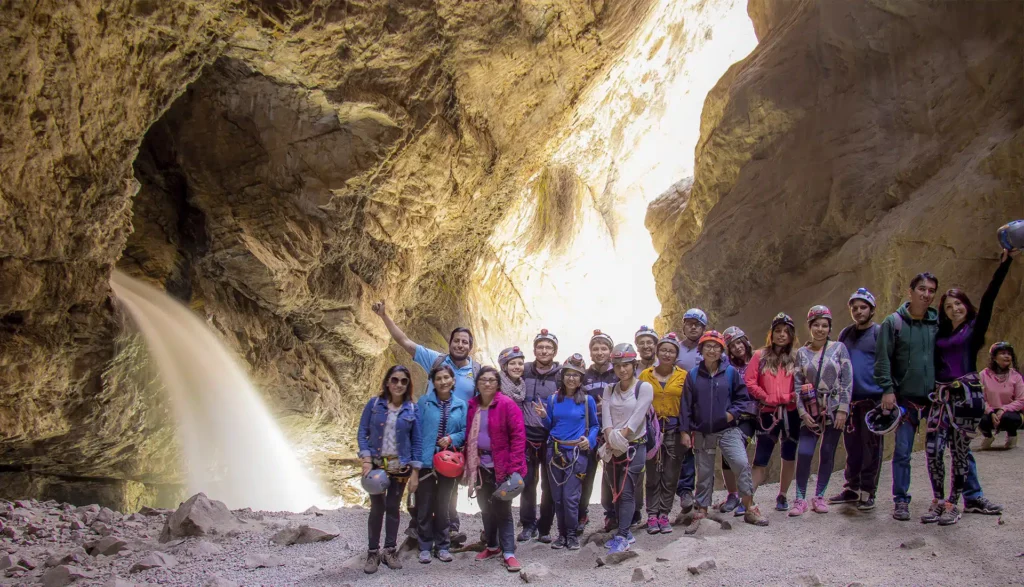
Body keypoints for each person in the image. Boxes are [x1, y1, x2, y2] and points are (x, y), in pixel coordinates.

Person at [923, 250, 1015, 525]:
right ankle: (938, 500)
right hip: (941, 396)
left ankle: (954, 503)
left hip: (966, 394)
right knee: (933, 448)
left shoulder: (974, 329)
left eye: (958, 304)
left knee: (960, 451)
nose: (954, 309)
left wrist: (1005, 263)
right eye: (949, 306)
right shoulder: (939, 332)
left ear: (966, 305)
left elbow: (989, 299)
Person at [372, 301, 478, 541]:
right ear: (450, 343)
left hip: (455, 434)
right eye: (457, 340)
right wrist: (385, 316)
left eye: (465, 342)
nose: (460, 345)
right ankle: (418, 526)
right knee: (420, 477)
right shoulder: (437, 360)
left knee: (448, 483)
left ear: (470, 346)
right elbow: (405, 342)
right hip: (427, 428)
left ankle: (449, 528)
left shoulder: (477, 370)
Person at [679, 330, 770, 529]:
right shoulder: (693, 375)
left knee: (740, 463)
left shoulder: (730, 373)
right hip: (703, 431)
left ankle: (749, 507)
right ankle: (702, 508)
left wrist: (732, 414)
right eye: (707, 346)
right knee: (704, 471)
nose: (712, 350)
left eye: (716, 346)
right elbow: (685, 405)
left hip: (728, 429)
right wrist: (685, 431)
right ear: (701, 350)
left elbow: (742, 398)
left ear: (722, 350)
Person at [357, 365, 422, 574]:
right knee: (377, 508)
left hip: (399, 465)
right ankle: (372, 552)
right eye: (395, 380)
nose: (399, 385)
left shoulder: (412, 409)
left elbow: (417, 442)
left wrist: (415, 472)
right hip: (376, 464)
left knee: (393, 507)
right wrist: (366, 459)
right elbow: (362, 432)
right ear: (387, 382)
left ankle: (390, 550)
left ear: (408, 384)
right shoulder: (374, 404)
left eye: (403, 381)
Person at [789, 306, 853, 516]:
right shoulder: (801, 354)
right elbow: (797, 386)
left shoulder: (839, 348)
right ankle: (800, 499)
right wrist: (802, 413)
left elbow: (846, 380)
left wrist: (843, 409)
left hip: (834, 408)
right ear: (809, 327)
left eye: (824, 325)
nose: (820, 329)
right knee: (805, 452)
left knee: (827, 452)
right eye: (816, 325)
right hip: (810, 409)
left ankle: (819, 497)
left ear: (829, 327)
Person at [464, 366, 527, 573]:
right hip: (481, 466)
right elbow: (469, 436)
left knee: (503, 510)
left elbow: (518, 437)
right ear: (478, 383)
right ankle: (492, 546)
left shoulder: (507, 405)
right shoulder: (473, 405)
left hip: (503, 466)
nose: (487, 383)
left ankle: (508, 552)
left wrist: (514, 468)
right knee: (486, 508)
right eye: (483, 380)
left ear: (498, 383)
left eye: (492, 380)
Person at [533, 354, 599, 550]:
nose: (572, 378)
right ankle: (561, 535)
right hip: (554, 451)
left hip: (576, 454)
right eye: (568, 374)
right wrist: (544, 416)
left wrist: (590, 440)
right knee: (558, 497)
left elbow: (595, 425)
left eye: (576, 375)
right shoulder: (553, 399)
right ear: (562, 377)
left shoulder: (587, 401)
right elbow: (551, 425)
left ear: (581, 379)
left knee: (571, 497)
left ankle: (572, 534)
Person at [829, 288, 885, 511]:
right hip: (849, 400)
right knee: (852, 446)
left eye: (863, 307)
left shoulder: (879, 333)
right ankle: (852, 487)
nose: (859, 311)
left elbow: (886, 363)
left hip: (872, 399)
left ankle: (868, 490)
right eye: (855, 308)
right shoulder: (845, 334)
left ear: (871, 309)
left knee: (871, 446)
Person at [600, 343, 653, 554]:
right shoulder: (609, 389)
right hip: (613, 446)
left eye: (627, 365)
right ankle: (624, 530)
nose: (622, 370)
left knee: (627, 490)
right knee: (615, 490)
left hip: (634, 447)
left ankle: (623, 534)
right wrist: (610, 437)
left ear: (634, 365)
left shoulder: (644, 388)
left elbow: (636, 420)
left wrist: (617, 438)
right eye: (618, 365)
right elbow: (606, 419)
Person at [746, 313, 801, 511]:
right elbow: (750, 381)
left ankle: (783, 495)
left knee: (788, 454)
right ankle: (748, 498)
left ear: (791, 335)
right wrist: (765, 396)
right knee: (761, 457)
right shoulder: (759, 356)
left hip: (791, 412)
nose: (781, 335)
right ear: (771, 333)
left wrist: (792, 396)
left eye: (786, 332)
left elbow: (805, 382)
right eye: (778, 331)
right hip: (767, 413)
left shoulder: (798, 357)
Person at [414, 365, 467, 564]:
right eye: (438, 378)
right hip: (427, 461)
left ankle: (443, 545)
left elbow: (465, 431)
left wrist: (452, 438)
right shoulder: (424, 402)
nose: (443, 381)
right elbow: (416, 430)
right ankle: (425, 546)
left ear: (453, 380)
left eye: (447, 377)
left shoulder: (461, 405)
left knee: (444, 506)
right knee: (425, 505)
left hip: (449, 462)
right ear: (432, 382)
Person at [638, 333, 687, 534]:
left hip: (674, 429)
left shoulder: (683, 376)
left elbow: (687, 406)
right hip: (652, 430)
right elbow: (639, 404)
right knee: (652, 474)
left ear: (676, 355)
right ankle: (651, 515)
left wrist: (686, 431)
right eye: (664, 350)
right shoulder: (645, 375)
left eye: (672, 351)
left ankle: (664, 514)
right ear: (657, 352)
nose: (667, 354)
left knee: (670, 474)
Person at [517, 329, 560, 543]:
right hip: (526, 436)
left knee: (548, 484)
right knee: (527, 482)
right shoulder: (523, 371)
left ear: (554, 351)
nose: (544, 351)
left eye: (548, 347)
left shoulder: (561, 375)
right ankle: (528, 524)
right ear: (534, 349)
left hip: (549, 437)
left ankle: (544, 527)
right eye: (540, 347)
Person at [581, 330, 619, 533]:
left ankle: (611, 514)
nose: (599, 352)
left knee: (611, 474)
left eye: (603, 348)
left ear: (610, 351)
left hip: (611, 429)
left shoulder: (618, 372)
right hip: (588, 431)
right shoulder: (584, 375)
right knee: (585, 474)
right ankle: (581, 513)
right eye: (595, 348)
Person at [718, 326, 756, 516]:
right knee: (727, 452)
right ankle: (732, 494)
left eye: (740, 342)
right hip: (734, 415)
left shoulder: (758, 361)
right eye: (733, 346)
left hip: (755, 416)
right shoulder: (728, 368)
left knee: (738, 450)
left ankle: (746, 496)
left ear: (746, 342)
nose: (738, 347)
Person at [674, 308, 706, 513]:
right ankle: (685, 491)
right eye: (690, 323)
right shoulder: (675, 349)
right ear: (683, 326)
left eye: (698, 324)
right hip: (681, 405)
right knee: (685, 449)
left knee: (704, 449)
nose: (693, 327)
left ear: (704, 328)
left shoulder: (711, 347)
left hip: (705, 405)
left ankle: (704, 492)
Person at [979, 342, 1024, 449]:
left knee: (1009, 418)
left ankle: (1012, 436)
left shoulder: (1016, 376)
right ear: (994, 358)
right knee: (979, 417)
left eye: (1009, 354)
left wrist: (1003, 409)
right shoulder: (983, 375)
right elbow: (980, 398)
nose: (1007, 356)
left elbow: (1021, 400)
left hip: (1009, 412)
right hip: (989, 411)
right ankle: (988, 436)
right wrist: (990, 412)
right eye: (1003, 353)